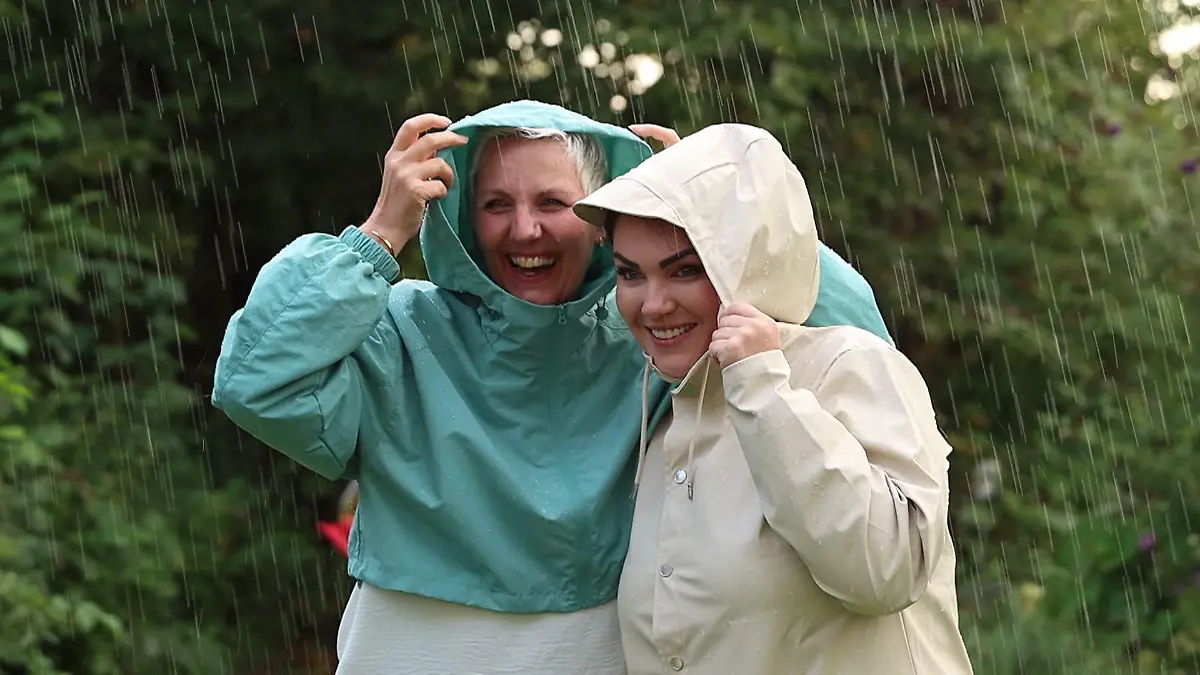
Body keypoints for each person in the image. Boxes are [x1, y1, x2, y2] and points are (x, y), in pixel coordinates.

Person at [212, 101, 894, 674]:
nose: (525, 228)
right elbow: (256, 380)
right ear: (462, 216)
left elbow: (849, 340)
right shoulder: (395, 327)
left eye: (552, 202)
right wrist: (378, 233)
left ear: (600, 215)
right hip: (410, 645)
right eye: (496, 203)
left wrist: (713, 219)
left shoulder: (654, 338)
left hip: (598, 649)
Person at [574, 123, 973, 674]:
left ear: (744, 261)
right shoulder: (664, 413)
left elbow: (888, 572)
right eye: (629, 274)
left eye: (687, 269)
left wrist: (761, 387)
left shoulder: (849, 365)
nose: (653, 304)